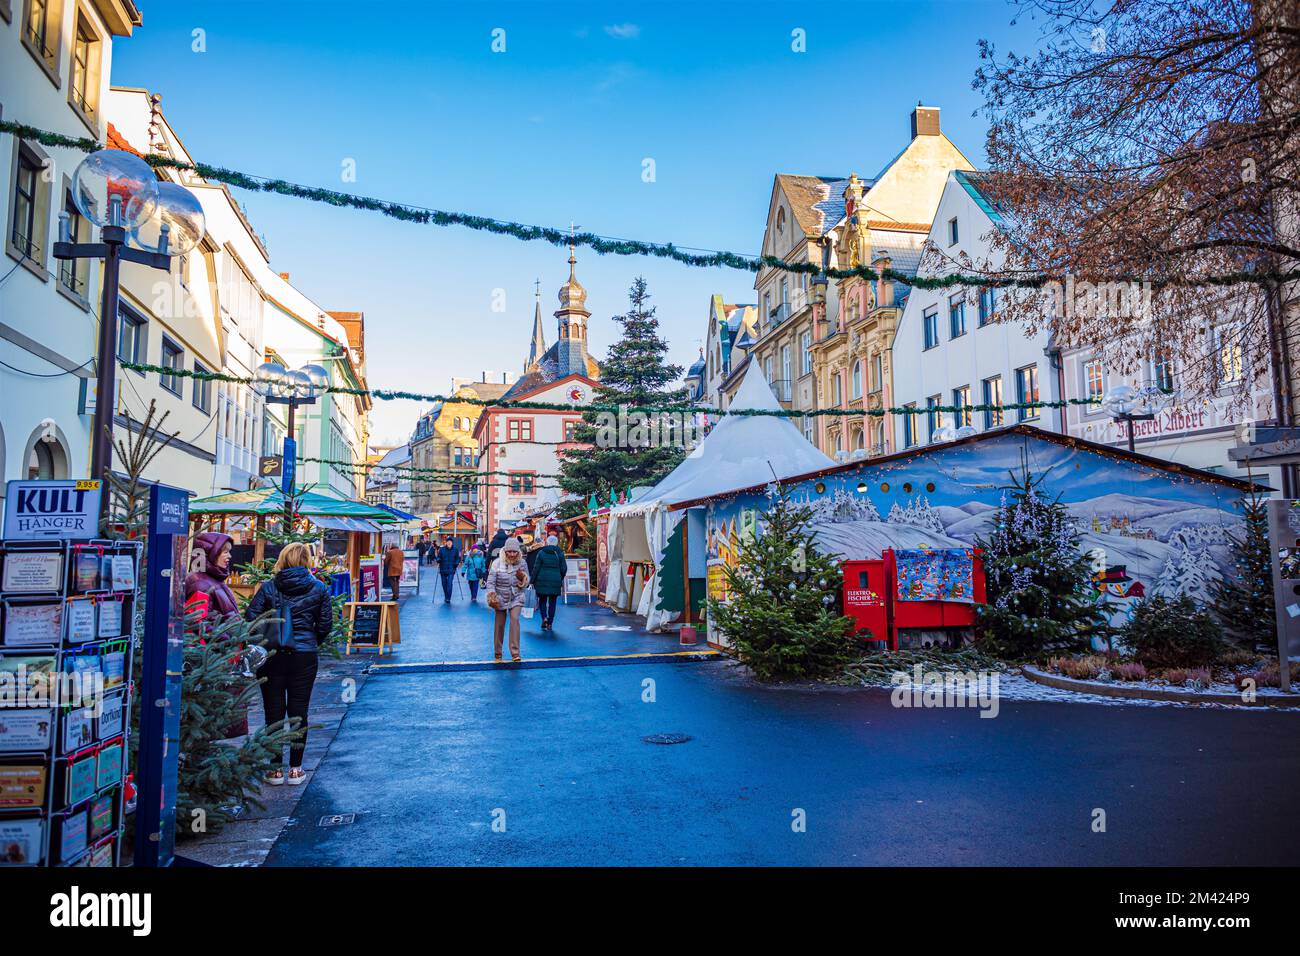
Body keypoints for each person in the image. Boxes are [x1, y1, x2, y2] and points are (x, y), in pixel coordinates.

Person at [243, 543, 333, 786]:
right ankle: (295, 768)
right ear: (306, 560)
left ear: (282, 559)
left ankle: (274, 770)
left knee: (273, 712)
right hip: (304, 656)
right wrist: (310, 641)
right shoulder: (318, 588)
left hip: (272, 655)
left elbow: (251, 619)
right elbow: (325, 625)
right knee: (299, 711)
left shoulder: (269, 587)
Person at [484, 537, 530, 662]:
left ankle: (515, 653)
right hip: (500, 596)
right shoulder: (497, 563)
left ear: (518, 552)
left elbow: (527, 581)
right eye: (509, 551)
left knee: (515, 619)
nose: (512, 554)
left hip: (517, 595)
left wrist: (523, 579)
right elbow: (490, 582)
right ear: (505, 551)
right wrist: (492, 595)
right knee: (499, 624)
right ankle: (498, 652)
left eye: (514, 552)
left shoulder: (522, 563)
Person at [184, 531, 240, 622]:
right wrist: (226, 636)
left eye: (229, 552)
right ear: (212, 554)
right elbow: (200, 625)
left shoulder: (215, 578)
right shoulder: (200, 584)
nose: (230, 556)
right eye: (225, 552)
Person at [531, 534, 567, 631]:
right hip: (555, 580)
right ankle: (550, 623)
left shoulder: (541, 552)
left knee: (542, 600)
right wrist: (560, 577)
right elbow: (564, 568)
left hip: (541, 580)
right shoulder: (560, 553)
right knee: (553, 602)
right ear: (556, 543)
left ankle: (544, 618)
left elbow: (536, 567)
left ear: (547, 542)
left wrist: (532, 580)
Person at [436, 535, 460, 604]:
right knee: (444, 584)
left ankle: (448, 598)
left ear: (452, 543)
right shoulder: (442, 549)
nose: (449, 543)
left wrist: (456, 563)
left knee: (449, 583)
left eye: (450, 542)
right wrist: (438, 560)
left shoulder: (455, 550)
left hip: (451, 569)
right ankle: (446, 596)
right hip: (443, 569)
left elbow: (457, 558)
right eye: (448, 542)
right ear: (446, 543)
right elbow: (438, 557)